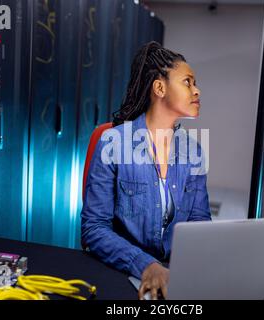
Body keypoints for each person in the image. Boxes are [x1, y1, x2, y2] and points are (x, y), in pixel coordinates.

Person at [81, 41, 211, 300]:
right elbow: (93, 228)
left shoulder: (194, 150)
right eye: (187, 82)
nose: (197, 91)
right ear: (160, 88)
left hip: (174, 275)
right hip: (121, 270)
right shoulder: (113, 142)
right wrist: (147, 266)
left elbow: (200, 222)